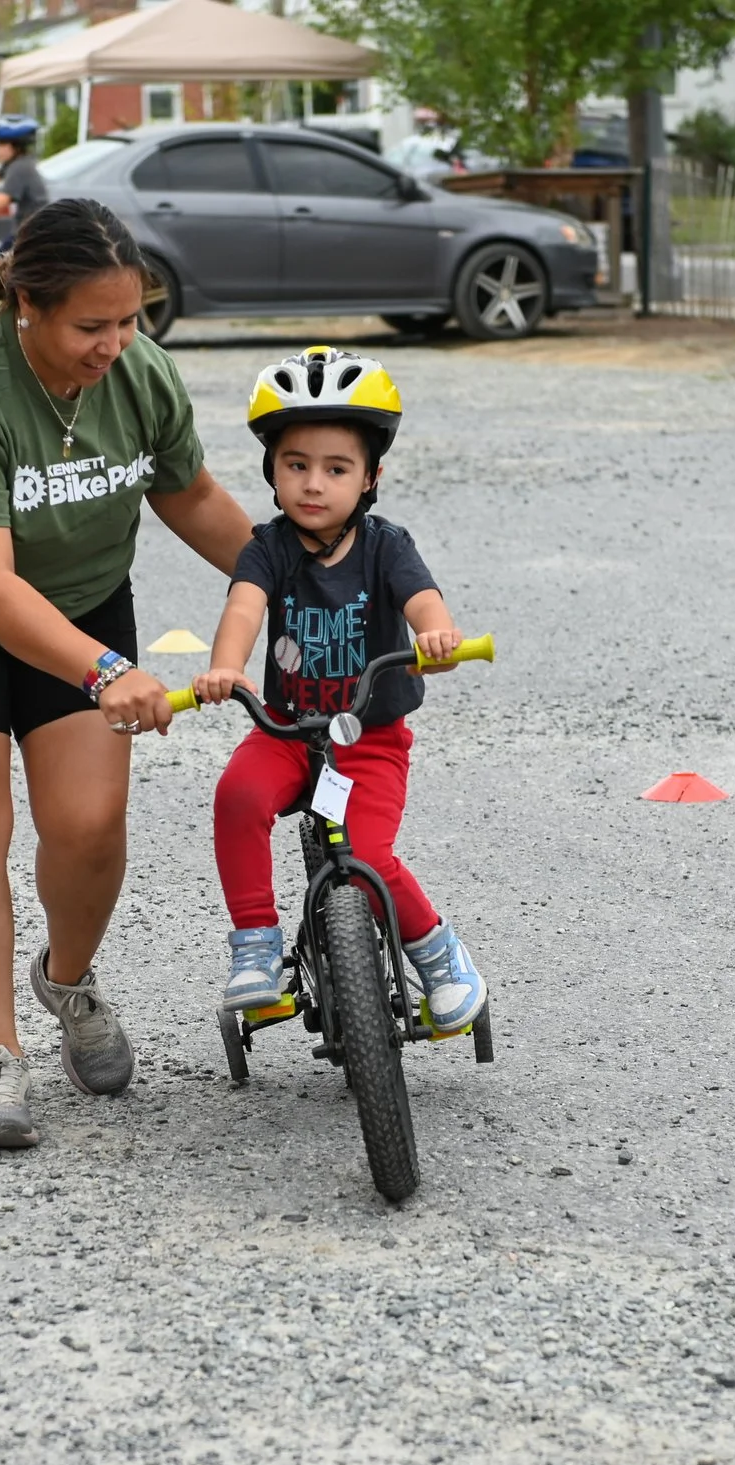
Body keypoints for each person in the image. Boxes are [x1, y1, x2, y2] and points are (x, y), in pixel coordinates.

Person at [0, 197, 257, 1150]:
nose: (114, 344)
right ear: (26, 305)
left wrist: (302, 574)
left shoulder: (138, 373)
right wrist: (109, 668)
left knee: (86, 825)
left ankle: (67, 981)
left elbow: (191, 495)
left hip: (79, 605)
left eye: (129, 320)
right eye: (91, 325)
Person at [189, 347, 489, 1031]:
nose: (314, 484)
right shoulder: (268, 547)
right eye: (296, 465)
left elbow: (424, 602)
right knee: (237, 794)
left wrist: (437, 636)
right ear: (272, 472)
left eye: (336, 468)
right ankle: (257, 944)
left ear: (370, 477)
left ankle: (440, 957)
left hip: (369, 738)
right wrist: (227, 667)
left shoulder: (387, 545)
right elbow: (243, 606)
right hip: (289, 732)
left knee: (370, 857)